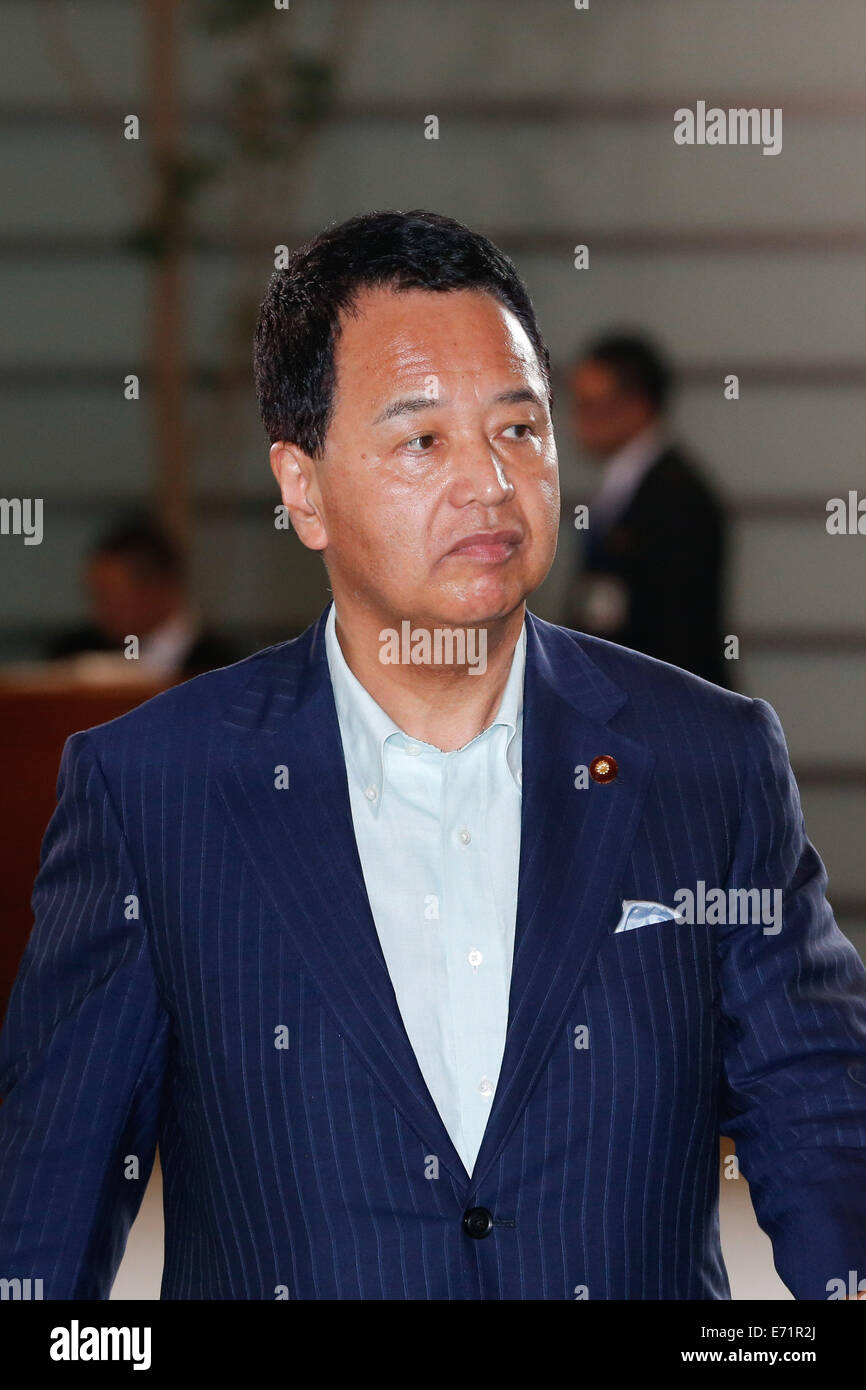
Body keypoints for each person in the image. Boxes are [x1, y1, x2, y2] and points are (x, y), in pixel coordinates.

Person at [1, 209, 865, 1300]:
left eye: (517, 428)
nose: (489, 483)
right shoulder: (155, 790)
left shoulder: (710, 762)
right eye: (422, 440)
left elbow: (819, 1107)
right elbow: (46, 1204)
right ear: (302, 488)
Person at [569, 332, 728, 686]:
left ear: (638, 406)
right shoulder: (627, 484)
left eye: (592, 406)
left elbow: (675, 628)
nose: (577, 423)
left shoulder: (675, 496)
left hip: (663, 704)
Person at [45, 513, 237, 681]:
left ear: (160, 588)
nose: (100, 610)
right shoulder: (73, 653)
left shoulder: (221, 665)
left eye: (111, 596)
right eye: (95, 596)